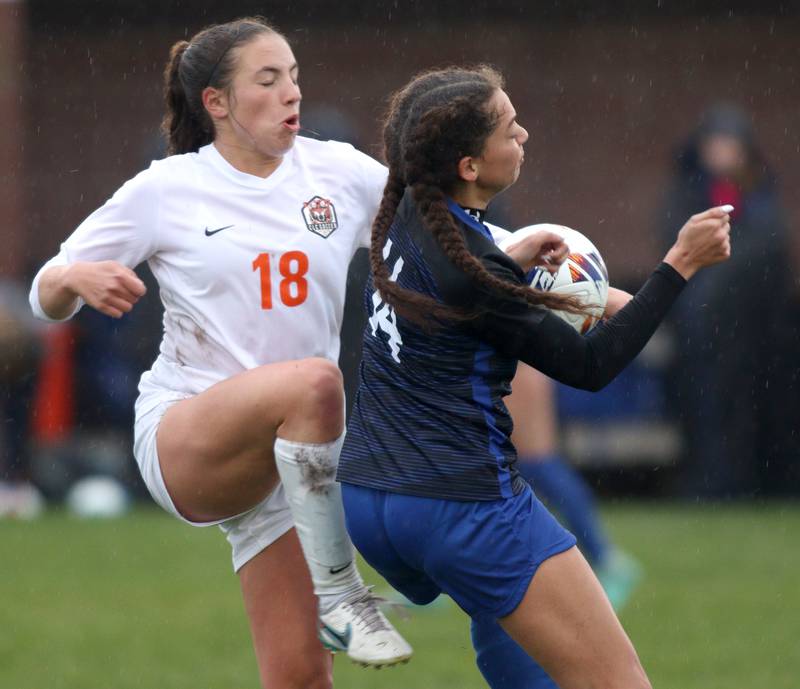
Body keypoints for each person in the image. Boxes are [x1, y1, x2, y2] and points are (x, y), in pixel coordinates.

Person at [28, 16, 411, 689]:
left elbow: (442, 238)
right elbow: (43, 294)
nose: (291, 92)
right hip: (188, 431)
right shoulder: (167, 188)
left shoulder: (338, 171)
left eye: (293, 75)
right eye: (268, 79)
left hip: (289, 460)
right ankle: (342, 593)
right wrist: (74, 278)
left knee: (302, 678)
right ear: (217, 102)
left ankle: (332, 602)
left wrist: (547, 271)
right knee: (317, 383)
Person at [336, 65, 731, 689]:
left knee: (529, 669)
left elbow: (460, 280)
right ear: (469, 165)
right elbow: (591, 366)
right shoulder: (477, 273)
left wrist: (508, 259)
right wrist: (680, 263)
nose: (523, 135)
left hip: (368, 499)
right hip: (460, 507)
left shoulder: (407, 210)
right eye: (509, 127)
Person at [660, 103, 794, 498]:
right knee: (702, 409)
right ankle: (710, 483)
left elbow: (768, 256)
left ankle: (748, 483)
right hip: (702, 332)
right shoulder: (688, 196)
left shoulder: (759, 200)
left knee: (750, 412)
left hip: (752, 333)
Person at [506, 362, 642, 612]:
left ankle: (606, 559)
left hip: (505, 358)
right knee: (524, 462)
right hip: (482, 357)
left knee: (535, 460)